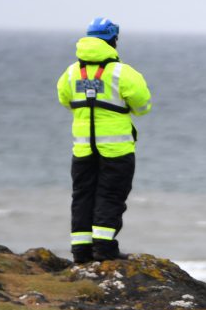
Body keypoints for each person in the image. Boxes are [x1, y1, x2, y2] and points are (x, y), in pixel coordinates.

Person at [56, 17, 152, 262]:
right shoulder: (123, 73)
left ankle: (80, 251)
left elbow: (65, 100)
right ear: (113, 40)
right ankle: (105, 249)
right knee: (110, 196)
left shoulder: (70, 73)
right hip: (116, 150)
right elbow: (143, 107)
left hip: (82, 148)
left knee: (82, 196)